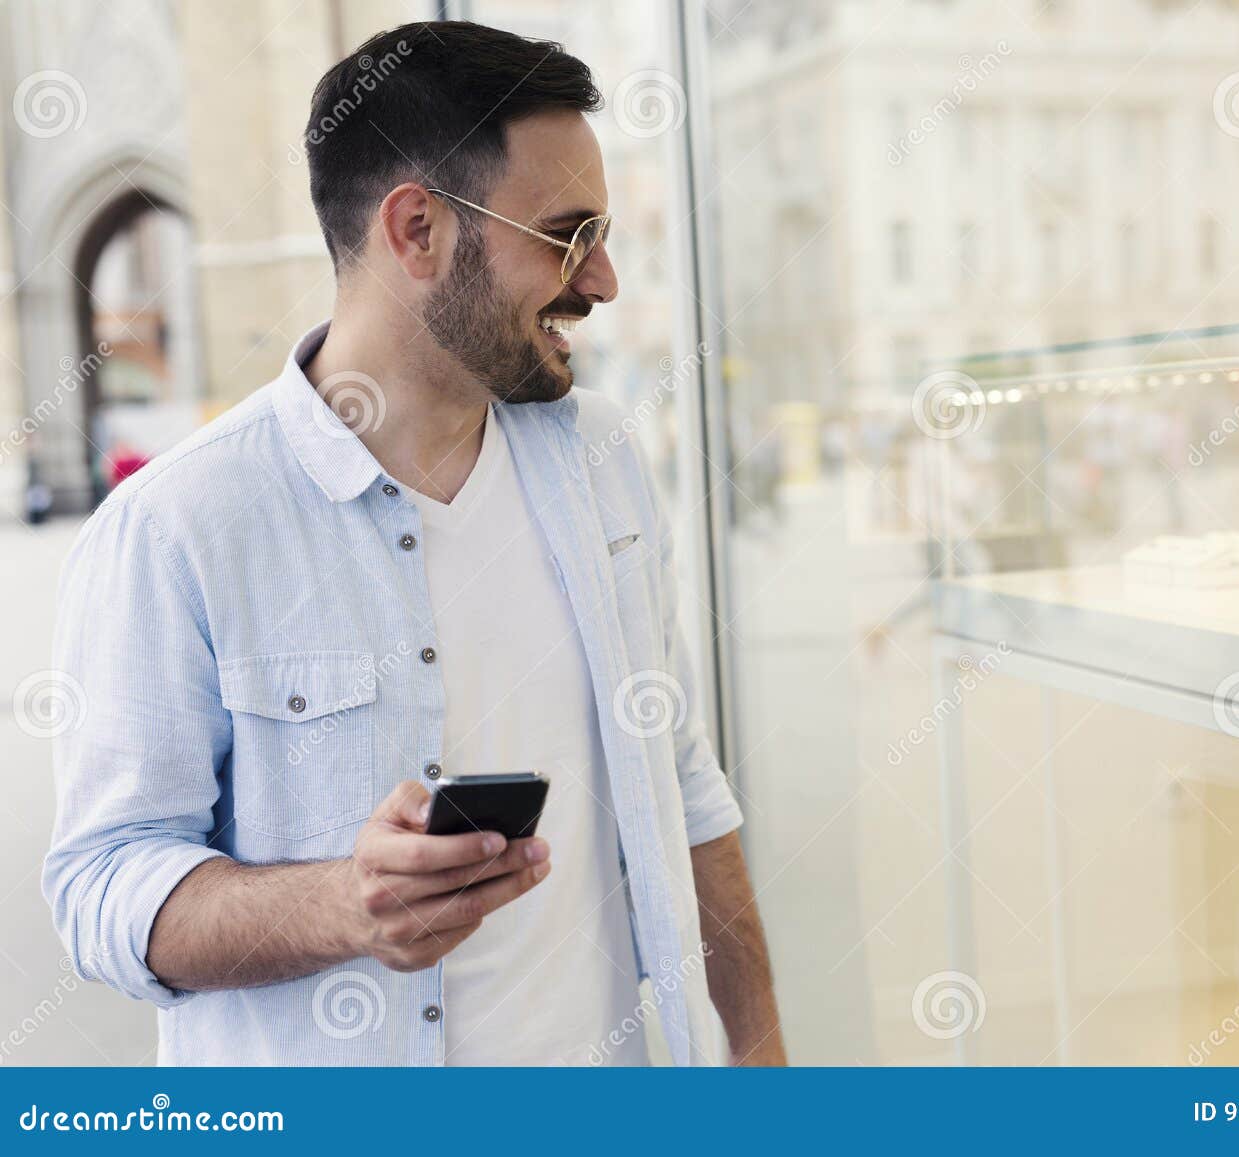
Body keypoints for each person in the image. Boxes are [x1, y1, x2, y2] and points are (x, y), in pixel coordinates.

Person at [43, 20, 785, 1067]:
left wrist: (762, 1066)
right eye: (569, 235)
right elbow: (101, 888)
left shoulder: (602, 456)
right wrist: (345, 904)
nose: (605, 278)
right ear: (418, 230)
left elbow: (682, 780)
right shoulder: (179, 527)